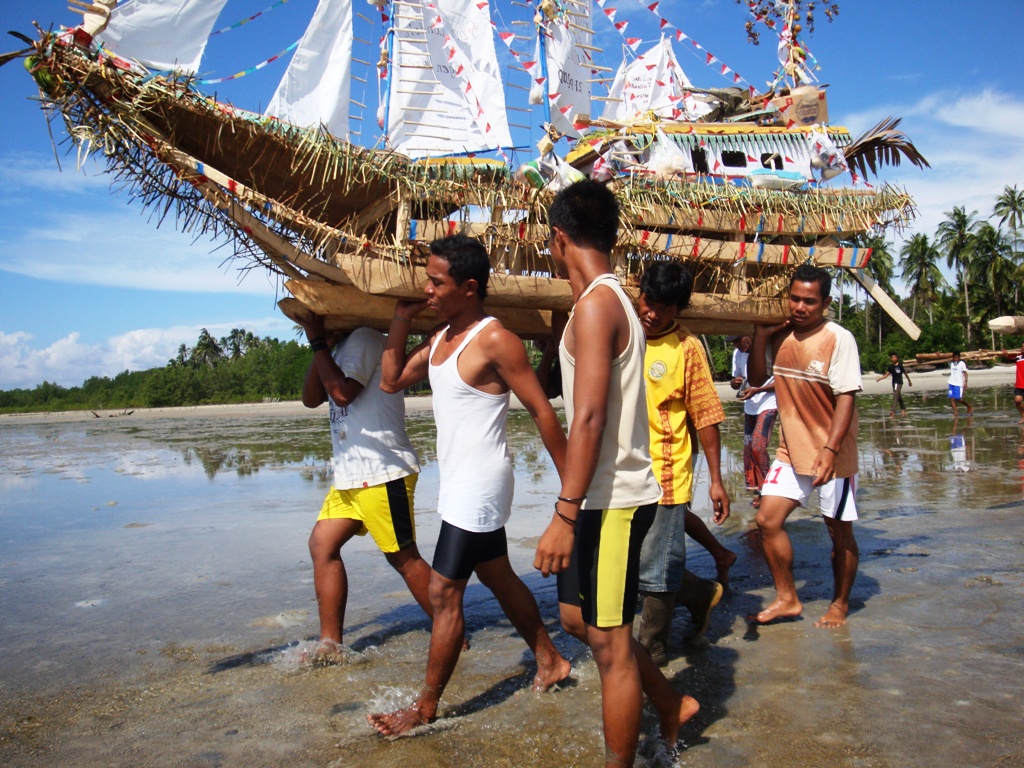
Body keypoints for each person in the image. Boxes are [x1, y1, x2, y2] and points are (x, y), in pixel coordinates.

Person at [367, 233, 570, 737]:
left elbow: (542, 410)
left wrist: (572, 495)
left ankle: (425, 707)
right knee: (497, 575)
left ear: (469, 287)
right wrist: (400, 319)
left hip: (481, 484)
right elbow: (390, 380)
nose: (428, 289)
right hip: (456, 482)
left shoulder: (495, 340)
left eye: (436, 282)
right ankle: (550, 660)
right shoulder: (440, 339)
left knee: (443, 592)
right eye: (427, 281)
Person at [533, 180, 699, 767]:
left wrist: (563, 515)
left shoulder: (599, 304)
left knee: (610, 648)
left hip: (614, 502)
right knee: (578, 620)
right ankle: (670, 701)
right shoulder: (606, 300)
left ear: (559, 238)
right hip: (601, 497)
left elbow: (590, 417)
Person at [298, 315, 433, 659]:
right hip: (350, 476)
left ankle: (452, 631)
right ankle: (330, 644)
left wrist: (317, 341)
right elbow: (311, 398)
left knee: (404, 559)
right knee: (322, 545)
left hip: (382, 471)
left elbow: (343, 393)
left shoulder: (365, 337)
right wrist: (322, 345)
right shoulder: (340, 346)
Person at [747, 263, 862, 629]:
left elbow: (846, 398)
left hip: (833, 454)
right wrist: (761, 336)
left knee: (838, 532)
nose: (800, 307)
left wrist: (830, 451)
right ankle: (788, 598)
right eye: (794, 298)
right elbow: (755, 378)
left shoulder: (837, 338)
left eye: (809, 301)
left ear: (825, 303)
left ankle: (840, 603)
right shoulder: (781, 336)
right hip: (791, 450)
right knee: (767, 520)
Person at [633, 261, 731, 668]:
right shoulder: (624, 331)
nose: (652, 313)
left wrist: (716, 480)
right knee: (631, 558)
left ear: (678, 310)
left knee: (658, 563)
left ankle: (653, 647)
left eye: (664, 308)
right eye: (648, 302)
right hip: (623, 468)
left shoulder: (686, 348)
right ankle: (701, 593)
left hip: (667, 470)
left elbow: (705, 415)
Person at [738, 375, 778, 509]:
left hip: (769, 403)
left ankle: (768, 490)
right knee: (748, 449)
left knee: (758, 447)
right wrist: (735, 383)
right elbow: (736, 381)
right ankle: (760, 491)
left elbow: (782, 383)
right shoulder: (738, 359)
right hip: (750, 406)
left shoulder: (773, 360)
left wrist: (759, 389)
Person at [876, 352, 912, 416]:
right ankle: (903, 408)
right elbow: (886, 375)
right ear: (891, 358)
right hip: (894, 383)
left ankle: (893, 411)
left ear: (897, 358)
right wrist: (880, 378)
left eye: (895, 357)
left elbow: (905, 373)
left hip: (899, 383)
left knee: (895, 396)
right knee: (898, 396)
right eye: (892, 357)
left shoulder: (900, 366)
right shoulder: (891, 367)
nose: (894, 358)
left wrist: (909, 381)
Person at [947, 351, 972, 417]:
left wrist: (966, 382)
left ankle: (968, 405)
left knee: (958, 398)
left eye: (956, 357)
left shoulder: (962, 363)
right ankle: (955, 412)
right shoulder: (951, 363)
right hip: (951, 382)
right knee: (952, 398)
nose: (955, 359)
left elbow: (965, 373)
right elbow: (944, 358)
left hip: (958, 384)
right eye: (954, 357)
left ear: (959, 357)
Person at [1013, 343, 1024, 424]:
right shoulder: (1018, 356)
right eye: (1022, 346)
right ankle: (1023, 416)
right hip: (1020, 383)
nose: (1023, 348)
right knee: (1017, 401)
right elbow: (1007, 356)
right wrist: (1004, 353)